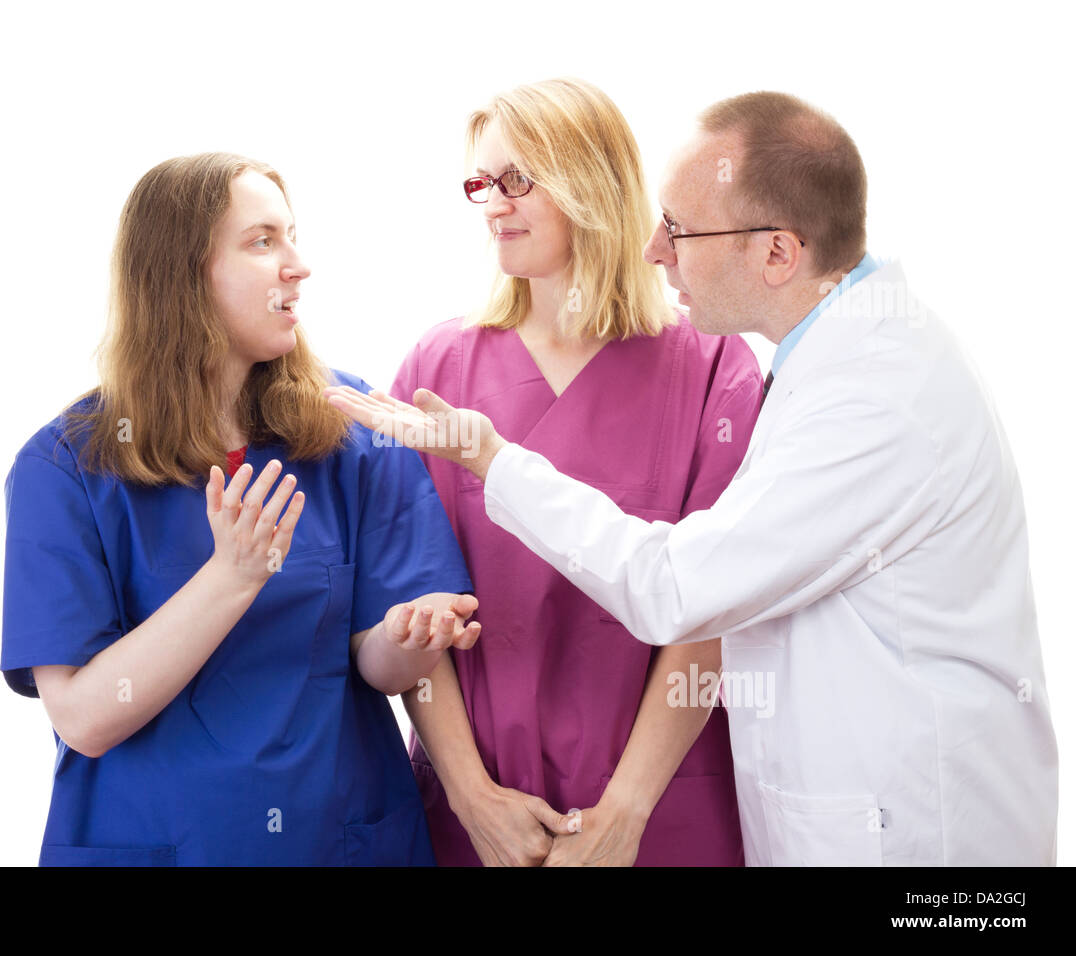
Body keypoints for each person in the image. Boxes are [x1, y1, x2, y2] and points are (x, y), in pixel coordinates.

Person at [327, 91, 1059, 865]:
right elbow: (402, 605)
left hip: (911, 835)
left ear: (778, 253)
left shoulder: (866, 394)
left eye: (678, 226)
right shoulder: (823, 365)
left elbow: (682, 590)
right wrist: (471, 796)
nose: (655, 248)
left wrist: (490, 456)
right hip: (828, 812)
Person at [0, 152, 480, 866]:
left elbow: (377, 665)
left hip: (338, 840)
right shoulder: (67, 467)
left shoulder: (347, 430)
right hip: (157, 841)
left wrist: (409, 639)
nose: (298, 265)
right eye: (263, 241)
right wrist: (231, 578)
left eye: (292, 235)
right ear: (182, 275)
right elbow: (84, 719)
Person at [386, 78, 762, 866]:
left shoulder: (713, 369)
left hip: (658, 805)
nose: (493, 203)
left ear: (593, 183)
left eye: (518, 179)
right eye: (481, 183)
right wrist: (470, 795)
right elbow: (403, 609)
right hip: (484, 814)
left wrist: (624, 812)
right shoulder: (438, 368)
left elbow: (715, 609)